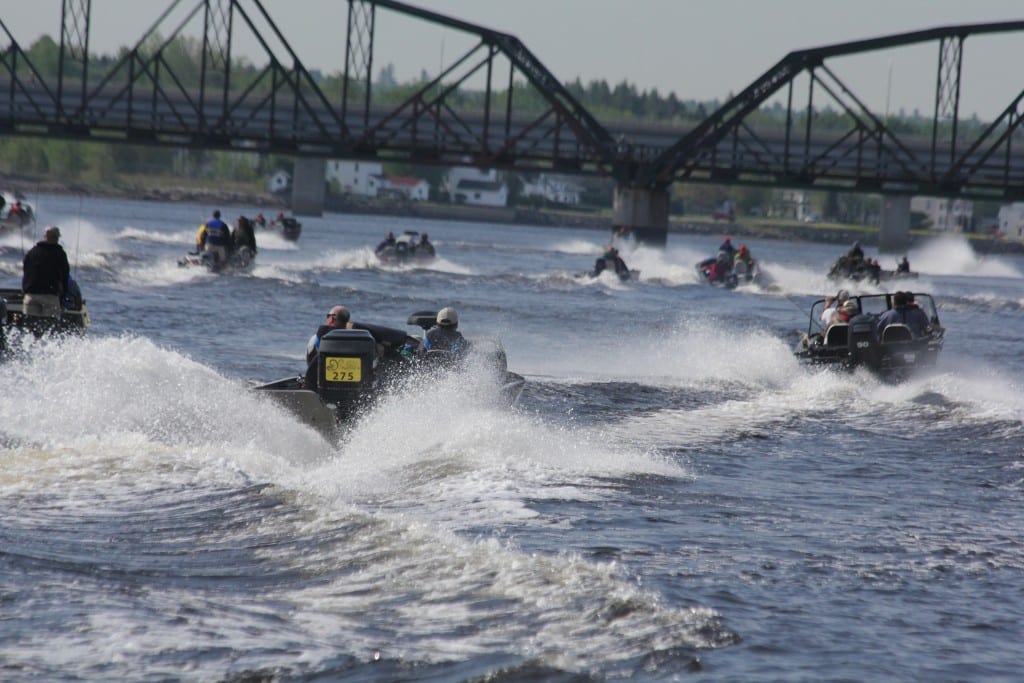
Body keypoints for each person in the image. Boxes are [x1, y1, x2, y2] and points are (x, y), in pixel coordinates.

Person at [21, 225, 71, 336]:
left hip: (30, 296)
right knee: (49, 330)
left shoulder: (32, 252)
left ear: (45, 237)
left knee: (30, 331)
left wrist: (25, 291)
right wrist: (63, 297)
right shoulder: (59, 253)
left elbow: (26, 271)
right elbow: (65, 276)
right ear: (56, 238)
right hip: (50, 297)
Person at [304, 306, 352, 388]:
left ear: (331, 319)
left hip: (318, 386)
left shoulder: (315, 339)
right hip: (349, 386)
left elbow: (310, 362)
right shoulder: (354, 340)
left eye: (328, 316)